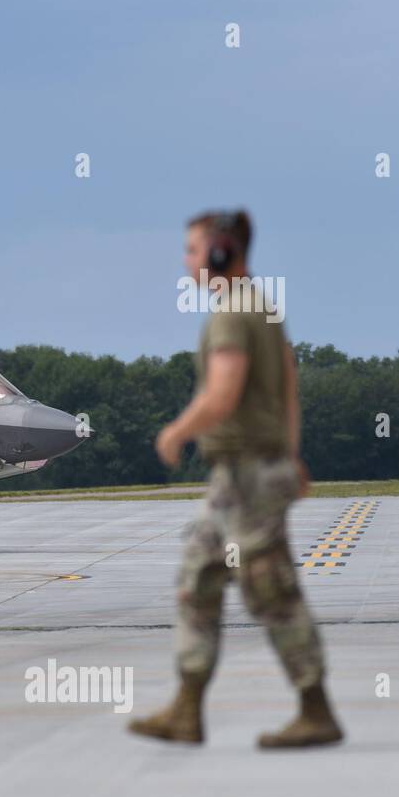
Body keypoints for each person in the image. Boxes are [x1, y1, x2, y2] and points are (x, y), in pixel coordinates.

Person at [129, 209, 343, 749]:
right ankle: (187, 706)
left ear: (221, 252)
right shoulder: (263, 309)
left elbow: (223, 393)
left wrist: (176, 431)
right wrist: (291, 456)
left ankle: (315, 707)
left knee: (270, 590)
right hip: (244, 474)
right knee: (198, 575)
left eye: (193, 251)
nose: (186, 262)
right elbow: (289, 384)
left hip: (247, 475)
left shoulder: (232, 315)